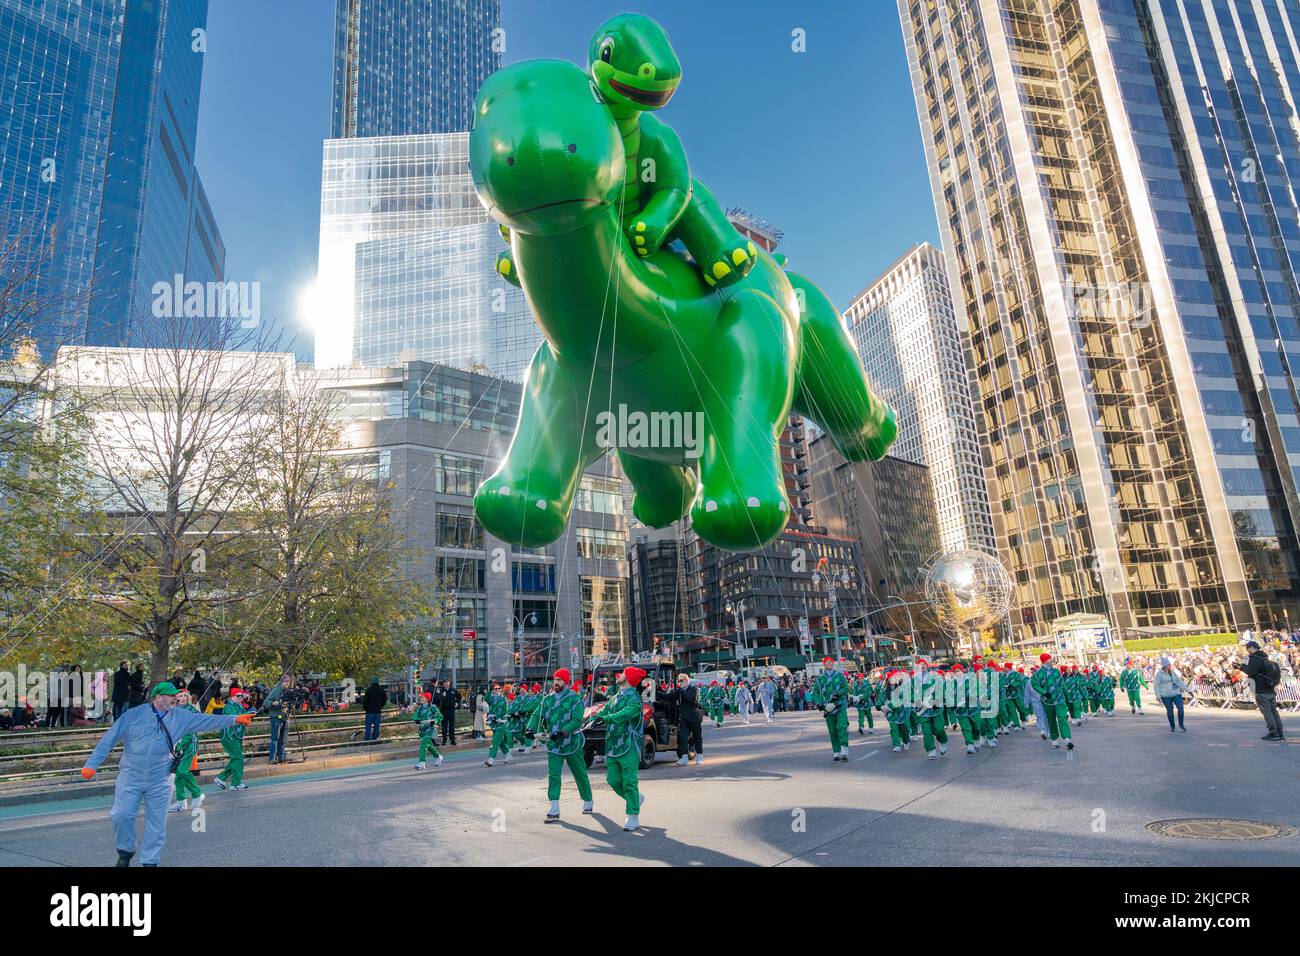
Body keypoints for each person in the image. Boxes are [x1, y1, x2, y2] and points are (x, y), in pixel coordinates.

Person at [81, 681, 252, 866]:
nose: (176, 698)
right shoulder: (133, 715)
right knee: (121, 815)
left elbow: (207, 720)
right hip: (130, 778)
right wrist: (92, 765)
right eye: (172, 695)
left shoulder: (182, 716)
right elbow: (109, 738)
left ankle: (150, 861)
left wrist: (235, 719)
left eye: (176, 695)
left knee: (156, 823)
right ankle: (126, 851)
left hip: (161, 779)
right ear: (158, 697)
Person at [532, 668, 594, 821]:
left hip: (571, 743)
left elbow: (577, 720)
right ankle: (554, 807)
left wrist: (563, 731)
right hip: (553, 744)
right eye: (555, 680)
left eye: (559, 680)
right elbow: (536, 715)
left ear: (566, 682)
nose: (556, 683)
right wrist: (530, 728)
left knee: (579, 773)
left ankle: (588, 799)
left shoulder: (574, 699)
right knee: (553, 775)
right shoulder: (547, 699)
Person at [598, 666, 648, 831]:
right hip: (612, 745)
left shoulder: (634, 698)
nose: (620, 675)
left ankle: (633, 815)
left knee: (629, 782)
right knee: (613, 780)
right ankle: (635, 799)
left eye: (624, 674)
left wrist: (607, 718)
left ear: (629, 679)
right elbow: (603, 711)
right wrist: (594, 718)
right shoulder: (614, 698)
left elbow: (626, 714)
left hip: (629, 746)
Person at [1236, 641, 1285, 741]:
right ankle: (1279, 731)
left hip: (1261, 688)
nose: (1247, 650)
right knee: (1273, 711)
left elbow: (1251, 671)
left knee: (1267, 712)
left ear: (1251, 648)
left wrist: (1241, 667)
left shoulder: (1254, 658)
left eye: (1248, 648)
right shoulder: (1264, 657)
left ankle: (1274, 733)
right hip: (1270, 688)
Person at [168, 690, 204, 812]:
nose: (182, 698)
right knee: (178, 774)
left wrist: (180, 746)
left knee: (182, 771)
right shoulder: (174, 711)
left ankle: (197, 793)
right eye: (179, 696)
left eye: (184, 696)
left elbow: (189, 731)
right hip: (178, 745)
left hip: (189, 744)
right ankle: (181, 802)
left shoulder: (190, 710)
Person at [1030, 653, 1073, 750]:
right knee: (1051, 720)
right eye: (1049, 659)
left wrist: (1067, 697)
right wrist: (1044, 692)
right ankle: (1054, 738)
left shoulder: (1056, 671)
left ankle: (1067, 739)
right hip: (1048, 701)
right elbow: (1034, 684)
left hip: (1059, 699)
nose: (1051, 660)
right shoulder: (1038, 674)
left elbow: (1062, 684)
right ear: (1045, 661)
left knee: (1062, 718)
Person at [811, 657, 851, 761]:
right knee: (832, 730)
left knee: (842, 727)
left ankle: (844, 749)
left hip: (839, 706)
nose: (829, 663)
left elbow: (846, 688)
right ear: (824, 664)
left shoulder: (840, 676)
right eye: (827, 662)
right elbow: (815, 693)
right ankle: (836, 751)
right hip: (827, 708)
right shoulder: (820, 679)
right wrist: (818, 703)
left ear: (833, 664)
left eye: (831, 662)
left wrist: (838, 694)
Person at [215, 688, 251, 790]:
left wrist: (251, 711)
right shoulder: (229, 707)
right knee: (238, 758)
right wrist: (246, 716)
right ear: (232, 697)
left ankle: (222, 778)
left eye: (241, 696)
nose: (240, 698)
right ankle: (235, 783)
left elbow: (246, 717)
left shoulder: (239, 706)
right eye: (238, 696)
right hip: (229, 736)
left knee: (236, 758)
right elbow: (236, 717)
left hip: (236, 735)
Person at [667, 673, 704, 766]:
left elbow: (692, 699)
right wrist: (655, 692)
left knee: (697, 738)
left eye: (681, 681)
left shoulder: (693, 689)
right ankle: (684, 758)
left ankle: (699, 756)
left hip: (694, 718)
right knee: (682, 738)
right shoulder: (680, 691)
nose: (679, 683)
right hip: (684, 719)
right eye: (678, 681)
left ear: (686, 680)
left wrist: (682, 692)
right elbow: (668, 697)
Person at [408, 692, 445, 770]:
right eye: (420, 697)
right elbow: (416, 715)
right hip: (423, 729)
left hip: (430, 728)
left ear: (427, 699)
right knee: (429, 745)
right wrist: (416, 720)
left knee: (423, 744)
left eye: (423, 697)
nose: (421, 698)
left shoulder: (432, 707)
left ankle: (422, 762)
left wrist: (435, 721)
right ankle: (438, 757)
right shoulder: (420, 708)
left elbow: (440, 716)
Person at [1154, 656, 1188, 734]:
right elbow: (1156, 685)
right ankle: (1172, 726)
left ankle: (1181, 724)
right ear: (1164, 666)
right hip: (1165, 695)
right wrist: (1158, 695)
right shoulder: (1159, 674)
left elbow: (1178, 681)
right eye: (1168, 665)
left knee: (1181, 709)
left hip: (1176, 693)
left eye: (1169, 664)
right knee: (1170, 711)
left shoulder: (1172, 672)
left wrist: (1188, 690)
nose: (1169, 666)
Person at [484, 683, 514, 766]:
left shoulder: (503, 699)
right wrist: (489, 689)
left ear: (500, 689)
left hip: (501, 722)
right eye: (495, 689)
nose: (496, 690)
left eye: (498, 688)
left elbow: (504, 711)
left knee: (496, 740)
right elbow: (486, 699)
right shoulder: (492, 698)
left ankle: (491, 759)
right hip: (493, 723)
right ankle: (508, 755)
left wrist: (496, 717)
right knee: (500, 741)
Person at [362, 678, 386, 742]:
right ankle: (375, 739)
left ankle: (367, 740)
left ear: (372, 682)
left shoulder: (368, 690)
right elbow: (384, 700)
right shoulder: (381, 690)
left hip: (369, 711)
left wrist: (366, 708)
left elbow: (365, 701)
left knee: (368, 726)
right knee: (376, 726)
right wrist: (380, 706)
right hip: (378, 711)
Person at [437, 680, 459, 746]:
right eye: (445, 682)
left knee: (452, 726)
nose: (446, 684)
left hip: (452, 710)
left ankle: (452, 740)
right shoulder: (440, 691)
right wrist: (442, 696)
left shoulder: (453, 690)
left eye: (447, 682)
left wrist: (457, 703)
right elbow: (438, 700)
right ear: (443, 684)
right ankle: (444, 740)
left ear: (449, 683)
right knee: (444, 727)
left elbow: (459, 697)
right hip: (444, 711)